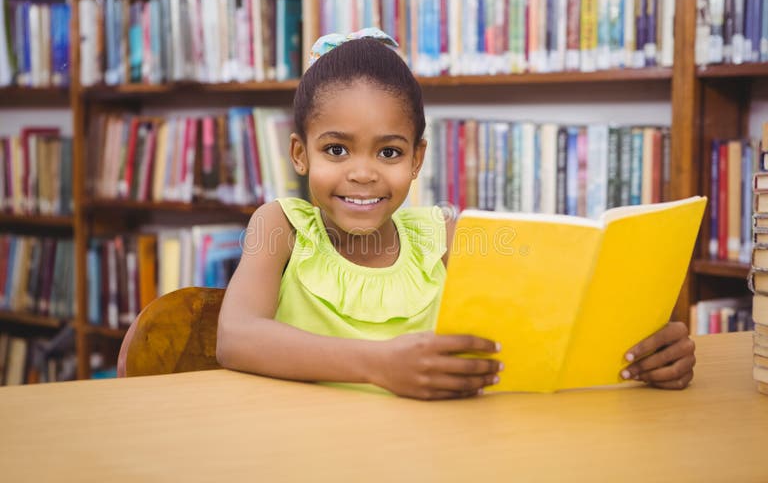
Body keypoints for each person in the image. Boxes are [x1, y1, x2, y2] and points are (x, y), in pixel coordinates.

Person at [216, 29, 696, 400]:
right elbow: (236, 337)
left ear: (417, 159)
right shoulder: (280, 225)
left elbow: (538, 330)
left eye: (389, 153)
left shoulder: (444, 235)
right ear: (300, 154)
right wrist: (379, 365)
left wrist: (645, 348)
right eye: (337, 149)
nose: (363, 174)